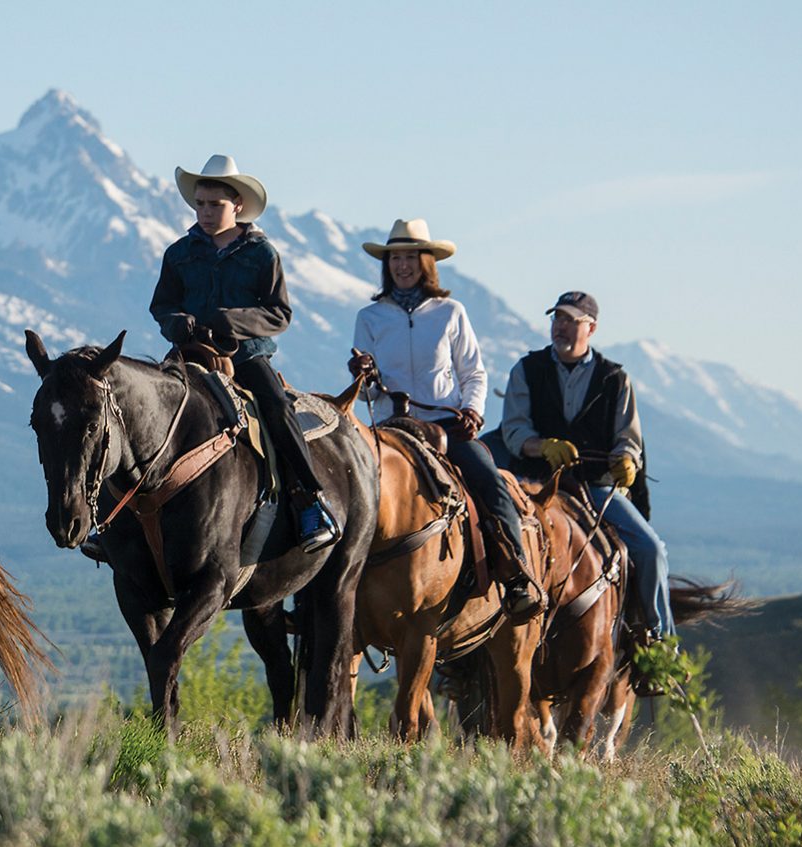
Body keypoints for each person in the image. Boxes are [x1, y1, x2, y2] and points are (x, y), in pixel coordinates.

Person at [143, 154, 341, 558]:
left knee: (276, 408)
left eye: (214, 204)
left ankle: (310, 502)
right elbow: (161, 306)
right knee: (144, 408)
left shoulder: (261, 254)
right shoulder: (178, 254)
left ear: (237, 205)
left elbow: (279, 313)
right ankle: (122, 515)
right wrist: (177, 323)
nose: (205, 211)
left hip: (247, 357)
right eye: (200, 203)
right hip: (188, 355)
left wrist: (230, 321)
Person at [348, 219, 544, 621]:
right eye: (395, 258)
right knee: (341, 484)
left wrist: (472, 410)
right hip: (390, 429)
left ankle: (516, 575)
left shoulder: (450, 312)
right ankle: (319, 589)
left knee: (489, 480)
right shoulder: (370, 318)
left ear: (426, 262)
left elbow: (474, 372)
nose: (402, 265)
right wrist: (362, 376)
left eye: (410, 257)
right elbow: (367, 393)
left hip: (446, 426)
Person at [499, 291, 674, 648]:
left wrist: (626, 460)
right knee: (487, 535)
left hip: (593, 487)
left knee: (651, 550)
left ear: (591, 328)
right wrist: (542, 446)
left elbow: (628, 437)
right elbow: (514, 431)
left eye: (570, 321)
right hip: (533, 483)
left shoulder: (615, 379)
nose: (560, 327)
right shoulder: (526, 370)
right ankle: (462, 645)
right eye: (556, 319)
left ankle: (658, 642)